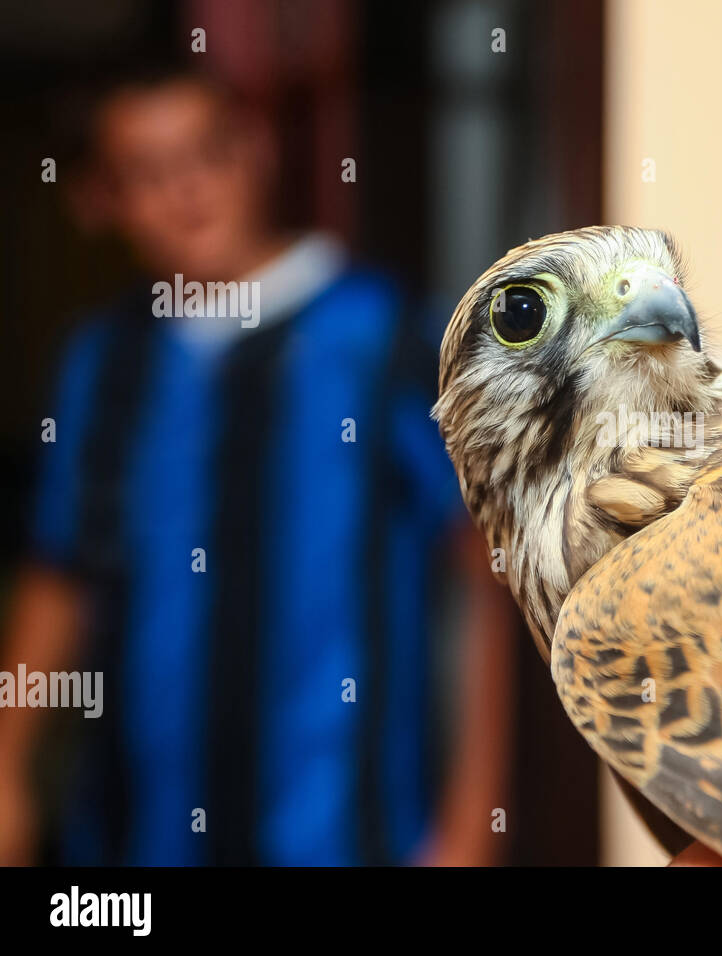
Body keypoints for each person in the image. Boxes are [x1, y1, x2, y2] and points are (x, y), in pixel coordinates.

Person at [0, 66, 516, 866]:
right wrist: (8, 762)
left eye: (207, 155)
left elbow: (485, 577)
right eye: (147, 173)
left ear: (257, 150)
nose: (186, 192)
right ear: (100, 201)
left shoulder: (386, 341)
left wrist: (474, 821)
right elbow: (59, 572)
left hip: (346, 833)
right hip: (132, 845)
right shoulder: (101, 365)